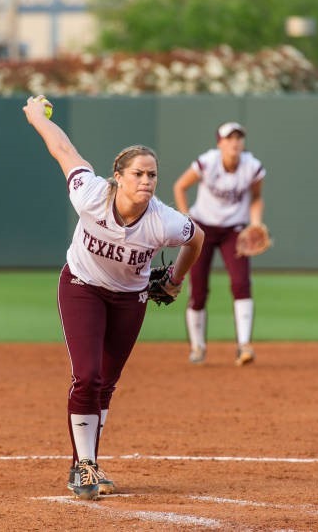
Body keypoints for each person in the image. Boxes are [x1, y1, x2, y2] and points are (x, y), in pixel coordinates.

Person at [22, 95, 204, 500]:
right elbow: (62, 149)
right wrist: (36, 117)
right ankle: (84, 466)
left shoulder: (164, 221)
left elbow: (198, 239)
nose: (146, 181)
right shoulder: (90, 194)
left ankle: (86, 463)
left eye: (152, 175)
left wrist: (174, 279)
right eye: (138, 173)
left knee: (106, 382)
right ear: (118, 177)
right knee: (87, 375)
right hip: (82, 286)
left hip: (129, 298)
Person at [173, 121, 267, 366]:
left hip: (233, 230)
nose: (235, 142)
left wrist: (256, 223)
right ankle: (197, 346)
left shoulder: (252, 166)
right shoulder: (208, 162)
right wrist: (186, 219)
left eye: (238, 137)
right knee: (198, 289)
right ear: (220, 143)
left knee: (241, 283)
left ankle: (244, 345)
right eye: (229, 138)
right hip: (203, 227)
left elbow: (256, 197)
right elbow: (180, 186)